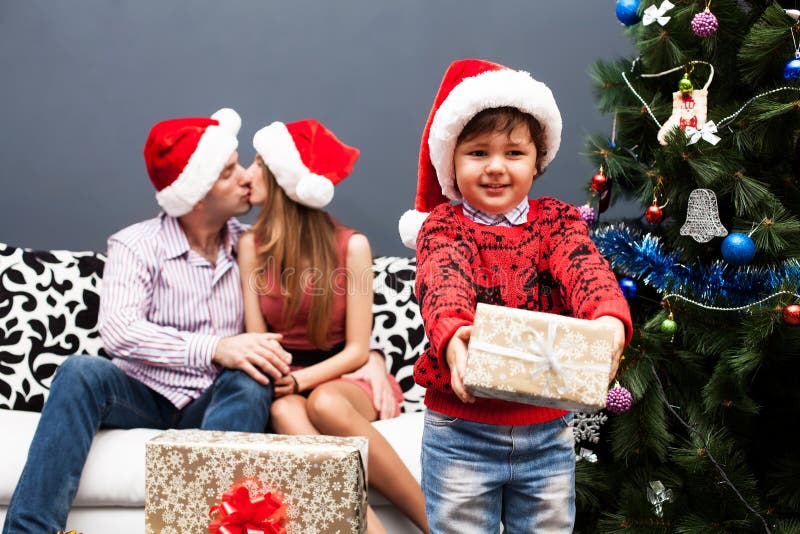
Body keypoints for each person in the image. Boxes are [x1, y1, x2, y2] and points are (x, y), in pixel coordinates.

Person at [2, 108, 297, 534]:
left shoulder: (254, 246)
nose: (246, 178)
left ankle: (203, 528)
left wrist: (372, 357)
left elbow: (310, 316)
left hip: (217, 399)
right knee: (80, 371)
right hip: (142, 394)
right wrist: (216, 347)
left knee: (251, 381)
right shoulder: (136, 244)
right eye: (229, 172)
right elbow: (119, 331)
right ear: (198, 195)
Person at [398, 59, 634, 533]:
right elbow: (443, 282)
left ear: (537, 159)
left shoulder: (557, 222)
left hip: (546, 432)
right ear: (451, 161)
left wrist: (608, 317)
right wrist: (453, 335)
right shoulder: (443, 227)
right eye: (477, 152)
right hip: (461, 434)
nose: (495, 167)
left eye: (513, 153)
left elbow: (584, 268)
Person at [238, 118, 429, 534]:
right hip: (285, 382)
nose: (247, 174)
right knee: (283, 409)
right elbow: (258, 338)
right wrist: (287, 382)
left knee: (324, 402)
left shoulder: (352, 246)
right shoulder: (250, 246)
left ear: (284, 179)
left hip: (345, 377)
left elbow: (357, 350)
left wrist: (302, 380)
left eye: (258, 164)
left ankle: (435, 525)